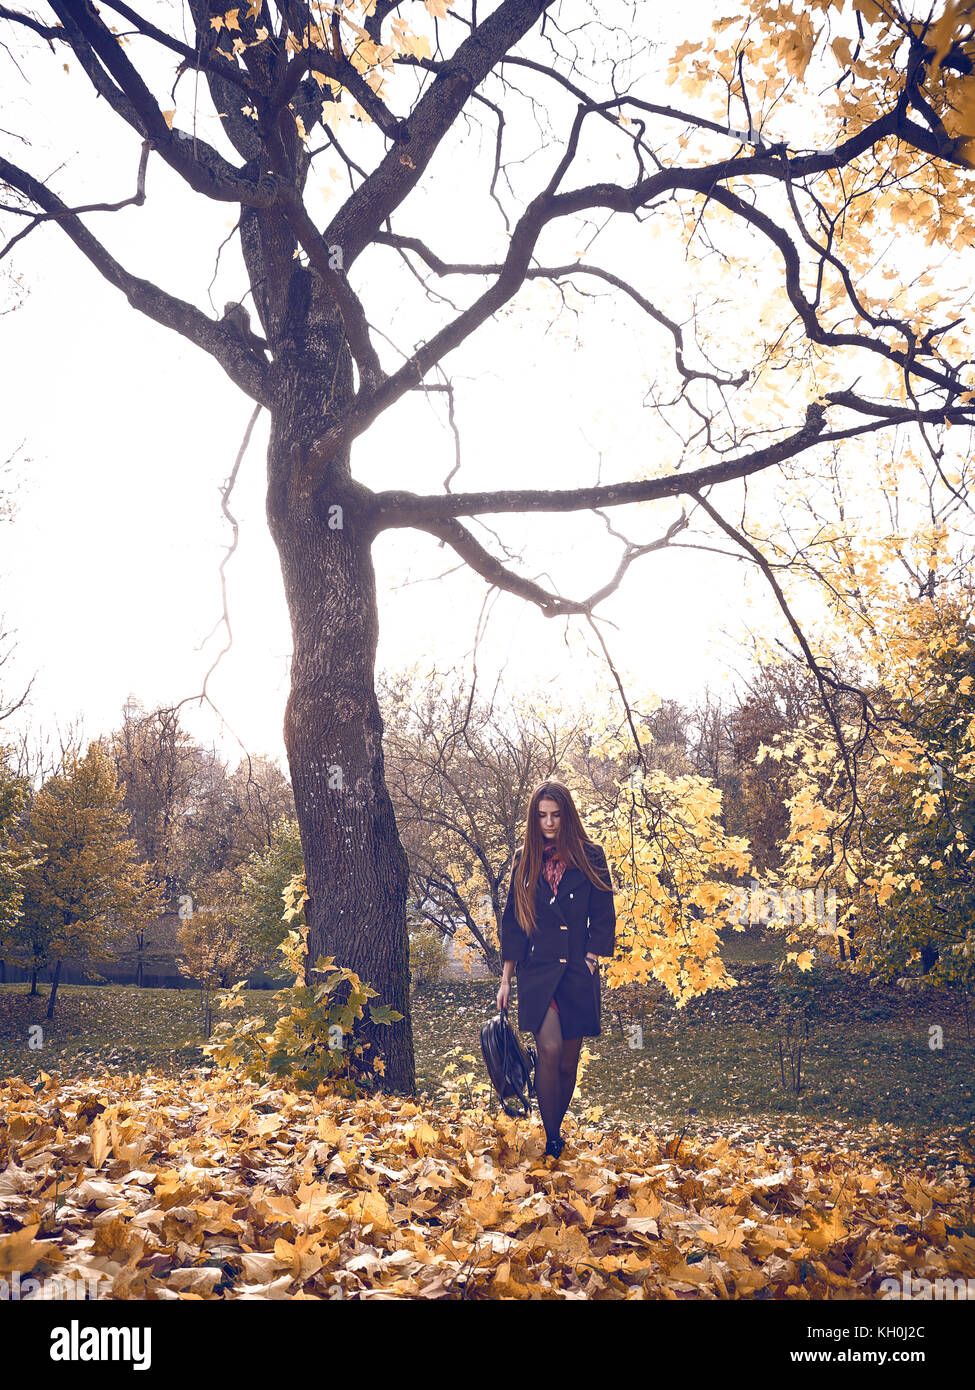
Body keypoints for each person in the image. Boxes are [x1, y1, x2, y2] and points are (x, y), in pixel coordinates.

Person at [496, 779, 616, 1160]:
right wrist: (506, 979)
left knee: (568, 1061)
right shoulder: (524, 858)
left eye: (556, 815)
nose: (548, 822)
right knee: (547, 1050)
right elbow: (513, 921)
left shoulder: (591, 856)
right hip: (538, 971)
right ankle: (551, 1141)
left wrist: (593, 959)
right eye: (542, 815)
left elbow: (603, 914)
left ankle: (555, 1128)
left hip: (578, 974)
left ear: (568, 816)